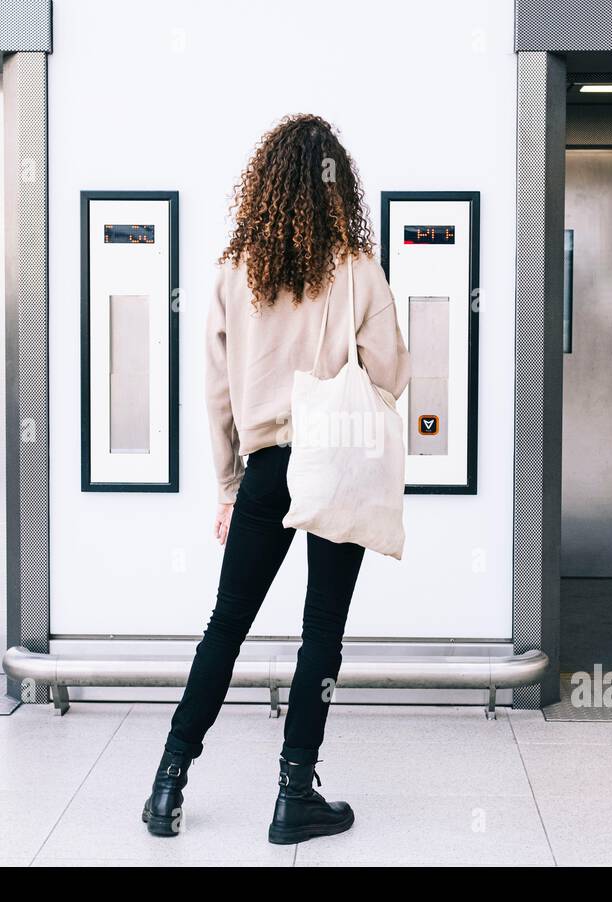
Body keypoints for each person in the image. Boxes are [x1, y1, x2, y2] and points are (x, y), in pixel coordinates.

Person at [143, 114, 410, 844]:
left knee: (224, 628)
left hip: (265, 469)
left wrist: (228, 487)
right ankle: (296, 794)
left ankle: (168, 782)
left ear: (264, 185)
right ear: (337, 187)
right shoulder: (356, 269)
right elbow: (390, 370)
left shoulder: (236, 271)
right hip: (336, 463)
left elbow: (216, 392)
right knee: (320, 631)